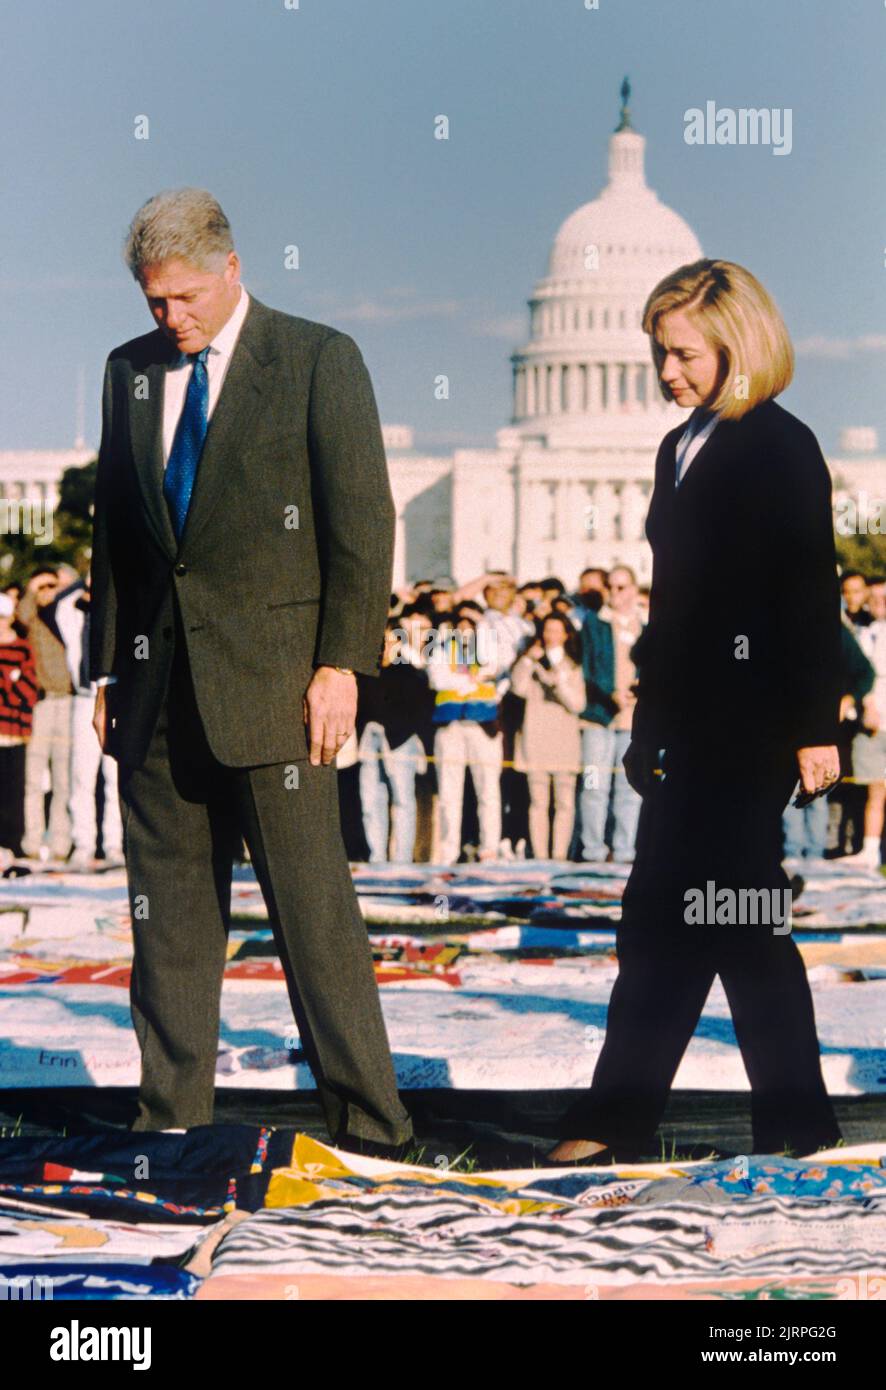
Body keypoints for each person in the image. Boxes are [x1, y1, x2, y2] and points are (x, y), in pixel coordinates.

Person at [89, 187, 412, 1155]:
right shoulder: (129, 372)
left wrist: (342, 665)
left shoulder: (318, 359)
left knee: (315, 921)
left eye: (186, 296)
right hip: (154, 699)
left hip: (281, 695)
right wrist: (110, 671)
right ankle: (171, 1122)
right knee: (170, 933)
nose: (170, 317)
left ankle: (371, 1125)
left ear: (232, 269)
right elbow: (119, 533)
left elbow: (362, 523)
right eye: (154, 301)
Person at [549, 259, 843, 1164]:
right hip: (692, 725)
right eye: (658, 353)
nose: (667, 371)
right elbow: (675, 605)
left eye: (682, 353)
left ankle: (641, 1122)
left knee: (733, 925)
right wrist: (650, 723)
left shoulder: (781, 445)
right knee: (680, 925)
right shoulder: (681, 446)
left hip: (752, 726)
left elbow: (806, 592)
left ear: (736, 344)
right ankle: (691, 1122)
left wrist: (813, 725)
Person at [54, 572, 125, 870]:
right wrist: (81, 583)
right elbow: (62, 602)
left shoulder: (117, 611)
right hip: (82, 698)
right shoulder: (73, 613)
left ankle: (114, 844)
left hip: (114, 697)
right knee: (81, 775)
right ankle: (83, 843)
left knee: (114, 775)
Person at [576, 564, 645, 863]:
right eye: (611, 587)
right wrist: (611, 693)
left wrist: (640, 687)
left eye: (622, 587)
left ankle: (624, 848)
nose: (616, 594)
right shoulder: (595, 622)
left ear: (632, 589)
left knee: (628, 788)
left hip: (634, 717)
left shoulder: (646, 624)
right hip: (599, 715)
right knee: (594, 786)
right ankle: (593, 849)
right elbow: (589, 667)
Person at [426, 611, 503, 863]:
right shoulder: (442, 649)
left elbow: (496, 667)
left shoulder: (490, 647)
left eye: (472, 625)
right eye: (461, 626)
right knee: (449, 793)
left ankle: (489, 848)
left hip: (483, 726)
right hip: (450, 727)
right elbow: (437, 679)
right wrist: (469, 680)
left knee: (488, 790)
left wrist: (464, 680)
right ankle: (448, 851)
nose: (466, 631)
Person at [510, 614, 586, 860]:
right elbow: (518, 689)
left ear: (566, 635)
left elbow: (577, 704)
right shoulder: (532, 663)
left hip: (564, 740)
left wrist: (557, 682)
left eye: (556, 631)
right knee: (538, 802)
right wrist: (526, 661)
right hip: (536, 738)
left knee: (564, 802)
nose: (551, 636)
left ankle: (560, 854)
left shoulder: (573, 666)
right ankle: (541, 856)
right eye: (547, 631)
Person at [356, 621, 433, 862]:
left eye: (390, 640)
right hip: (370, 739)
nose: (385, 646)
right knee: (371, 799)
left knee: (402, 800)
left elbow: (418, 709)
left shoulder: (409, 672)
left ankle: (402, 858)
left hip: (400, 740)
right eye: (382, 641)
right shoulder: (367, 671)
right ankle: (376, 855)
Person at [15, 567, 75, 863]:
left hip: (67, 702)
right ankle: (33, 840)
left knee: (64, 777)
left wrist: (62, 587)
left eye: (53, 586)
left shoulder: (66, 616)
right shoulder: (33, 621)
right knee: (34, 777)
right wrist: (32, 588)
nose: (48, 592)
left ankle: (61, 844)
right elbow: (22, 614)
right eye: (43, 587)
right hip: (41, 704)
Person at [843, 581, 886, 869]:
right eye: (874, 598)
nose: (878, 602)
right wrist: (868, 705)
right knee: (875, 786)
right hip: (875, 717)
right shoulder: (865, 633)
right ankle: (870, 850)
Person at [0, 594, 39, 866]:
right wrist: (9, 681)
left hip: (16, 730)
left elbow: (29, 690)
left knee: (14, 789)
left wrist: (10, 686)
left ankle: (13, 841)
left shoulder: (24, 648)